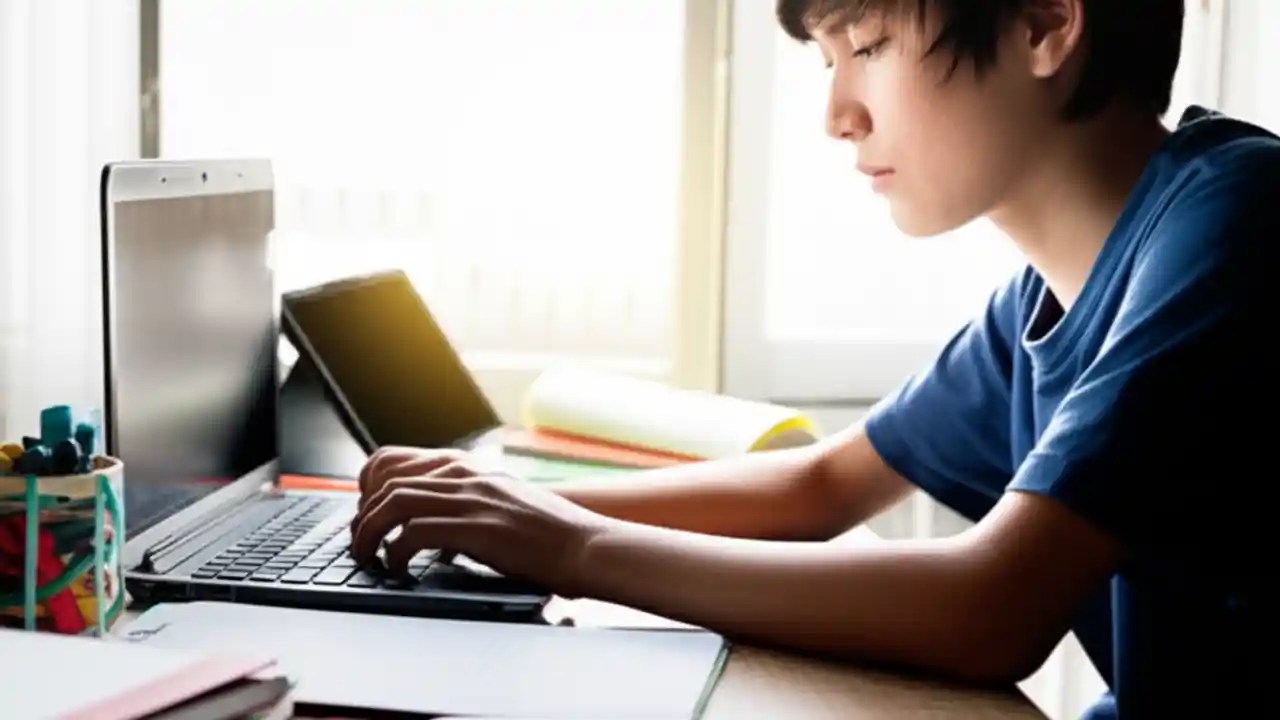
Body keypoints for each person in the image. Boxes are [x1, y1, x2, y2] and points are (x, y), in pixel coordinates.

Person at [350, 1, 1277, 716]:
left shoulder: (1239, 216)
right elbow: (822, 487)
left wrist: (566, 544)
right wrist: (499, 508)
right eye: (828, 60)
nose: (837, 115)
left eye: (866, 47)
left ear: (1044, 24)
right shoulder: (1044, 299)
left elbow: (992, 609)